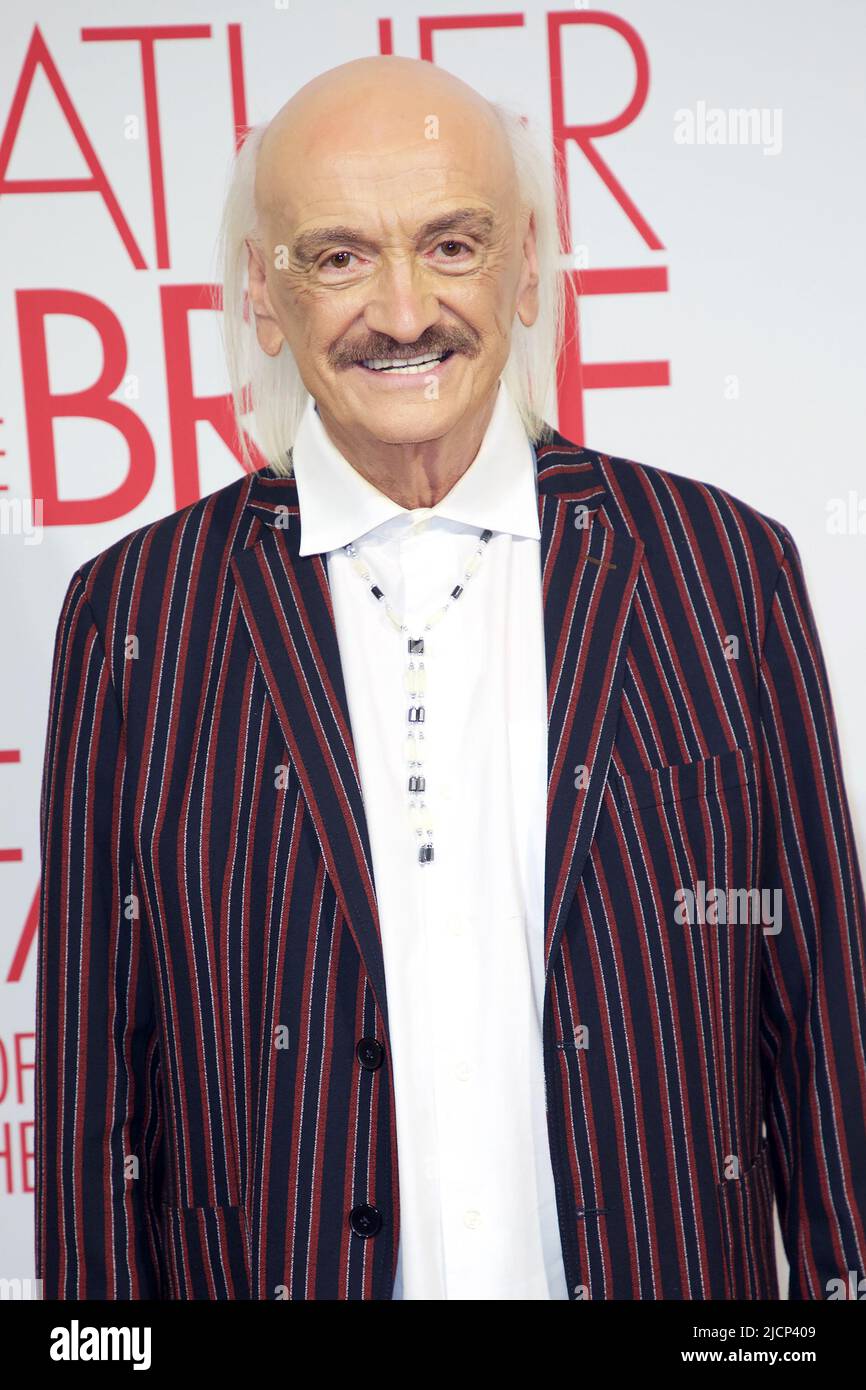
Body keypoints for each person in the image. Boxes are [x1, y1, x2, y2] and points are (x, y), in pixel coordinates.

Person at [35, 54, 866, 1301]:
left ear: (527, 265)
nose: (405, 309)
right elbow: (97, 1105)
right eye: (338, 257)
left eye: (452, 243)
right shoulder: (131, 617)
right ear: (261, 295)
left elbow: (825, 1037)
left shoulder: (722, 569)